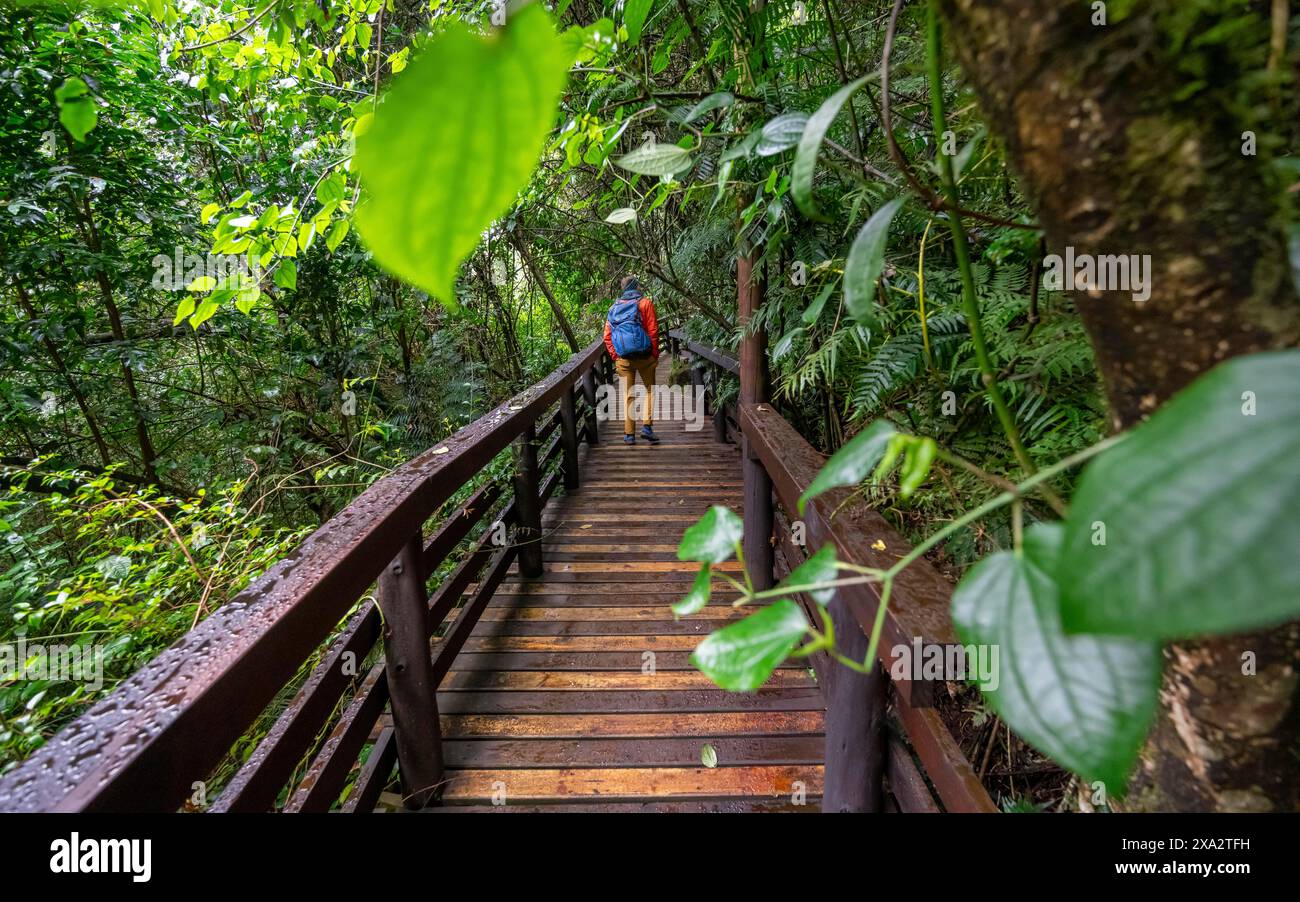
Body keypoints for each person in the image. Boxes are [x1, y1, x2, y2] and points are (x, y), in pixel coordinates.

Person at [603, 276, 661, 445]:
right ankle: (647, 428)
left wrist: (615, 356)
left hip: (623, 359)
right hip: (645, 357)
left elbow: (607, 336)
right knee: (650, 390)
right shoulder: (645, 303)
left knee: (628, 395)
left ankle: (629, 435)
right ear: (636, 286)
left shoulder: (613, 308)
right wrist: (654, 355)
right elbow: (653, 330)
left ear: (623, 288)